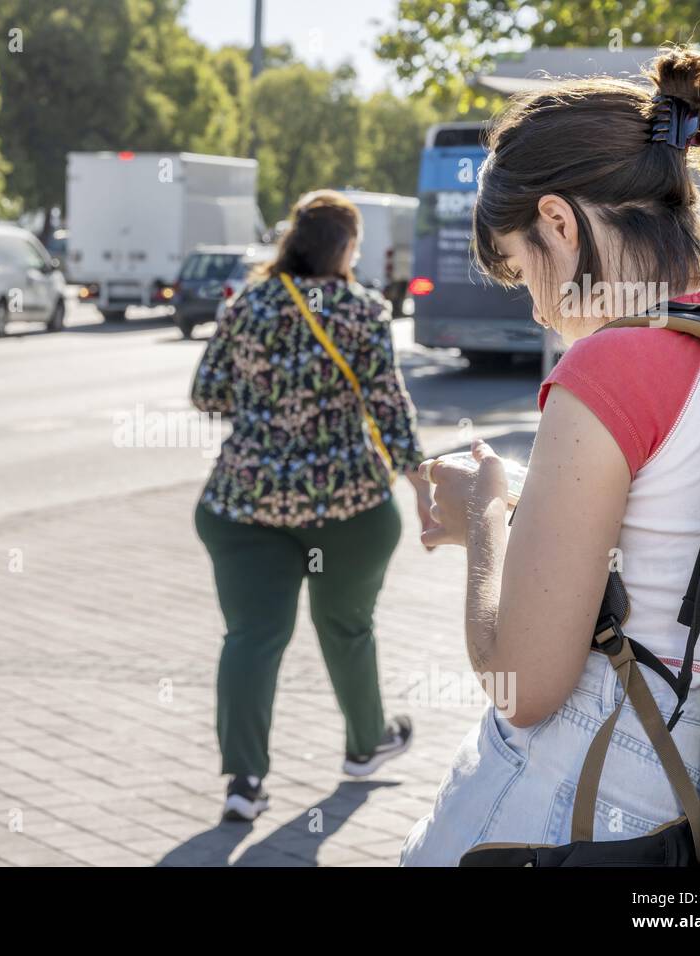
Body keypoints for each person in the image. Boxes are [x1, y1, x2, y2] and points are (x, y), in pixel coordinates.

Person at [401, 47, 700, 864]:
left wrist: (486, 509)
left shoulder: (611, 364)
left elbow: (522, 686)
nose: (534, 306)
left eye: (524, 269)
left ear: (559, 223)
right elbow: (674, 523)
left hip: (586, 785)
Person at [191, 189, 435, 822]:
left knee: (251, 637)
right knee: (348, 627)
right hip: (347, 511)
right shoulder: (361, 312)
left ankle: (244, 783)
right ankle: (365, 745)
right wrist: (422, 483)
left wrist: (266, 406)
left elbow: (206, 392)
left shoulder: (248, 305)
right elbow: (388, 408)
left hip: (247, 507)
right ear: (346, 248)